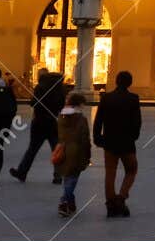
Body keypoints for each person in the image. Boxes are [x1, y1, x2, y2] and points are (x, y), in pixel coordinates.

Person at [92, 70, 142, 217]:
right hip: (127, 142)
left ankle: (110, 203)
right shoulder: (133, 98)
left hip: (110, 141)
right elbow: (137, 121)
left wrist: (97, 137)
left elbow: (98, 119)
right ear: (130, 83)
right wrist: (134, 135)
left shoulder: (106, 98)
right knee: (131, 170)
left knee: (110, 173)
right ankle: (121, 197)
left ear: (116, 81)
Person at [10, 68, 66, 183]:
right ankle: (58, 175)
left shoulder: (40, 87)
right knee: (56, 149)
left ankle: (22, 172)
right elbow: (61, 105)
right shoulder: (60, 88)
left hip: (39, 122)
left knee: (32, 149)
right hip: (53, 122)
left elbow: (34, 103)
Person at [55, 92, 92, 218]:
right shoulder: (81, 119)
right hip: (77, 151)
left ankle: (70, 203)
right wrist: (88, 154)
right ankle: (64, 202)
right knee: (73, 178)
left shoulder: (61, 117)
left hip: (63, 149)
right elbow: (85, 139)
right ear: (79, 104)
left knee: (67, 178)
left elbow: (58, 135)